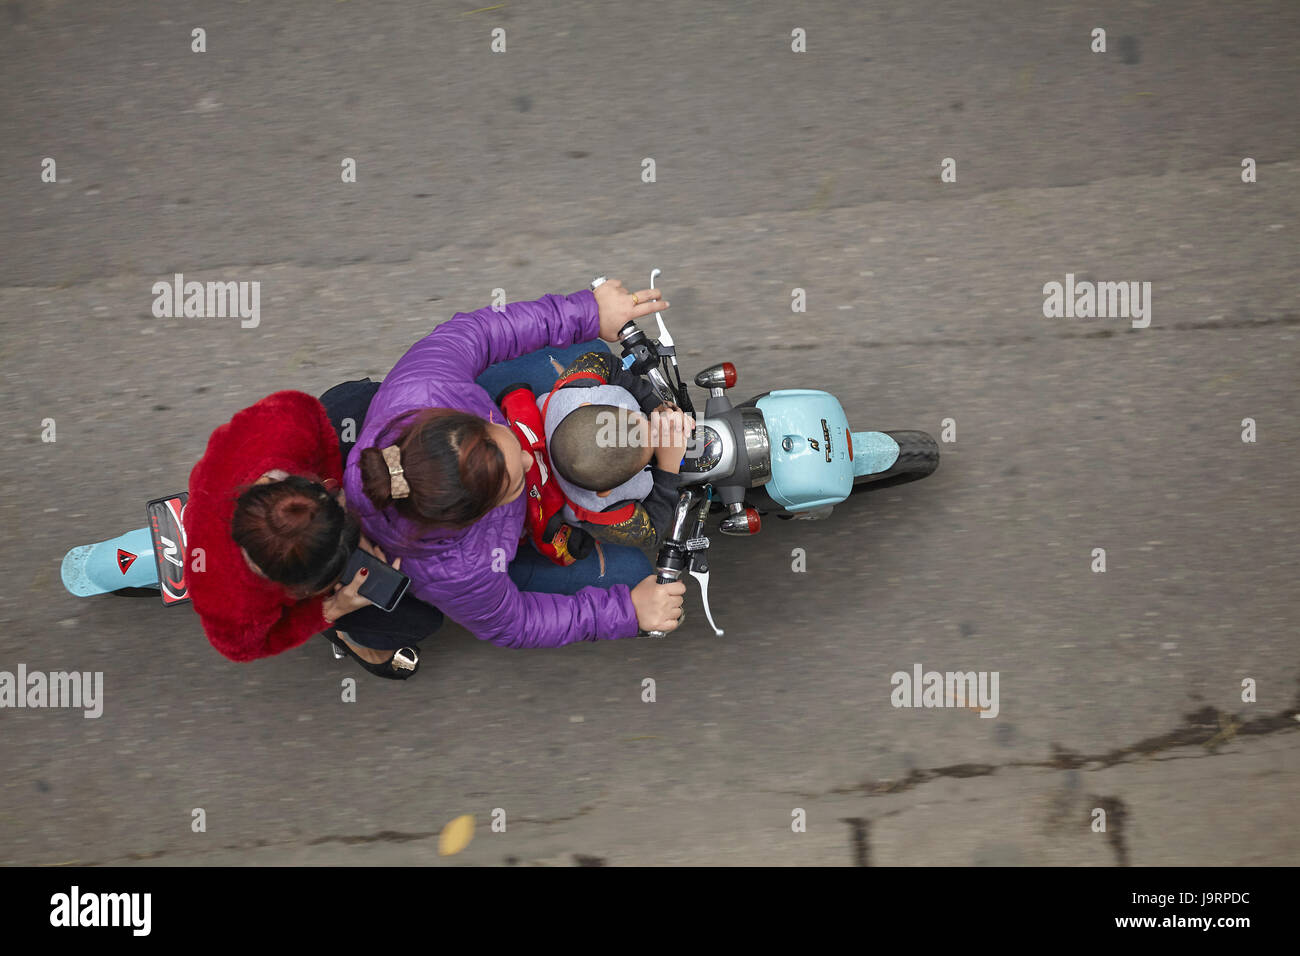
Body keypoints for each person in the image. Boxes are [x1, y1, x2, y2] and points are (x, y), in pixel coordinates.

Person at [344, 280, 687, 649]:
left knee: (586, 343)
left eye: (500, 434)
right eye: (513, 483)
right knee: (631, 578)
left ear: (461, 421)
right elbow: (516, 625)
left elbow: (484, 331)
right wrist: (627, 612)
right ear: (475, 517)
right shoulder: (460, 572)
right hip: (478, 558)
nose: (529, 457)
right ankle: (358, 636)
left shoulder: (425, 386)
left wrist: (588, 312)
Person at [184, 389, 442, 679]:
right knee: (420, 621)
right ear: (298, 590)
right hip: (242, 475)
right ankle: (347, 637)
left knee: (359, 402)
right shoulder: (233, 605)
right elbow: (242, 649)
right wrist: (329, 611)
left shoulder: (287, 422)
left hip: (231, 474)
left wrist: (340, 491)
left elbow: (312, 416)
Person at [522, 347, 694, 551]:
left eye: (642, 420)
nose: (655, 429)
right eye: (653, 445)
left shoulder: (579, 387)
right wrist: (668, 468)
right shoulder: (606, 511)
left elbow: (606, 362)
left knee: (595, 345)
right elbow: (652, 533)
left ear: (586, 403)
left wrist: (654, 407)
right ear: (604, 492)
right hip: (560, 498)